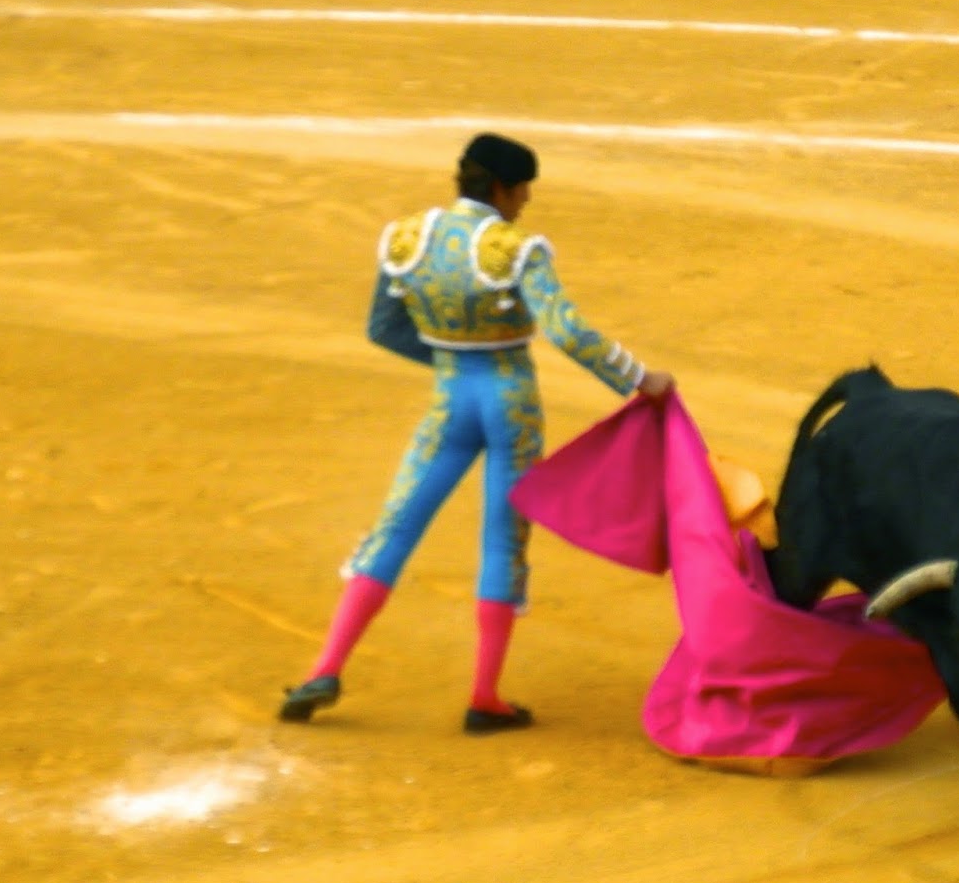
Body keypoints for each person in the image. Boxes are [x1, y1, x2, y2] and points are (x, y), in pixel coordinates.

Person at [278, 133, 675, 734]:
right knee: (500, 540)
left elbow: (382, 329)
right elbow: (566, 332)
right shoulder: (517, 250)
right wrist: (638, 378)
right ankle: (485, 697)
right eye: (521, 193)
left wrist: (448, 359)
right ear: (499, 188)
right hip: (510, 403)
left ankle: (326, 667)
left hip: (449, 401)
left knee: (397, 526)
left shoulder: (408, 238)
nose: (524, 205)